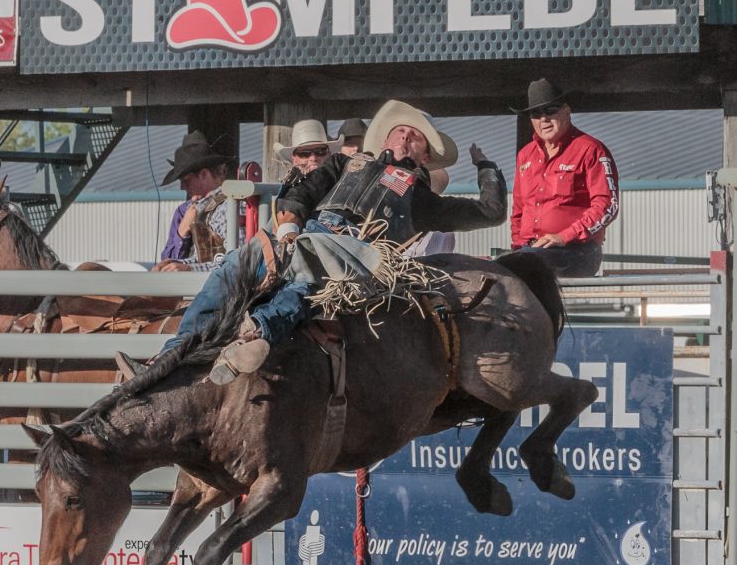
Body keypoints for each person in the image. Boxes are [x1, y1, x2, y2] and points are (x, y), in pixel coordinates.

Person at [121, 100, 505, 385]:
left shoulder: (422, 200)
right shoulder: (346, 164)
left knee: (309, 282)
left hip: (356, 251)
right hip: (306, 235)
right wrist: (288, 227)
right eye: (400, 130)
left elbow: (490, 211)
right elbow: (305, 191)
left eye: (415, 135)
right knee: (232, 267)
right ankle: (169, 358)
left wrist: (487, 168)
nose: (405, 136)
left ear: (425, 155)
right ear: (386, 137)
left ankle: (253, 335)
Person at [510, 78, 619, 277]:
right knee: (499, 270)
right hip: (530, 252)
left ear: (566, 111)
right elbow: (519, 209)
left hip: (577, 251)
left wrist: (563, 237)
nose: (543, 119)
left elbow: (607, 205)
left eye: (550, 110)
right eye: (535, 114)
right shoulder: (525, 155)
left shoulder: (591, 149)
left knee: (523, 266)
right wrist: (518, 246)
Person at [153, 130, 233, 273]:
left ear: (204, 174)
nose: (182, 186)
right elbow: (205, 259)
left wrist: (188, 268)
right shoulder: (207, 207)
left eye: (186, 180)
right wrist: (173, 263)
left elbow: (234, 263)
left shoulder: (228, 207)